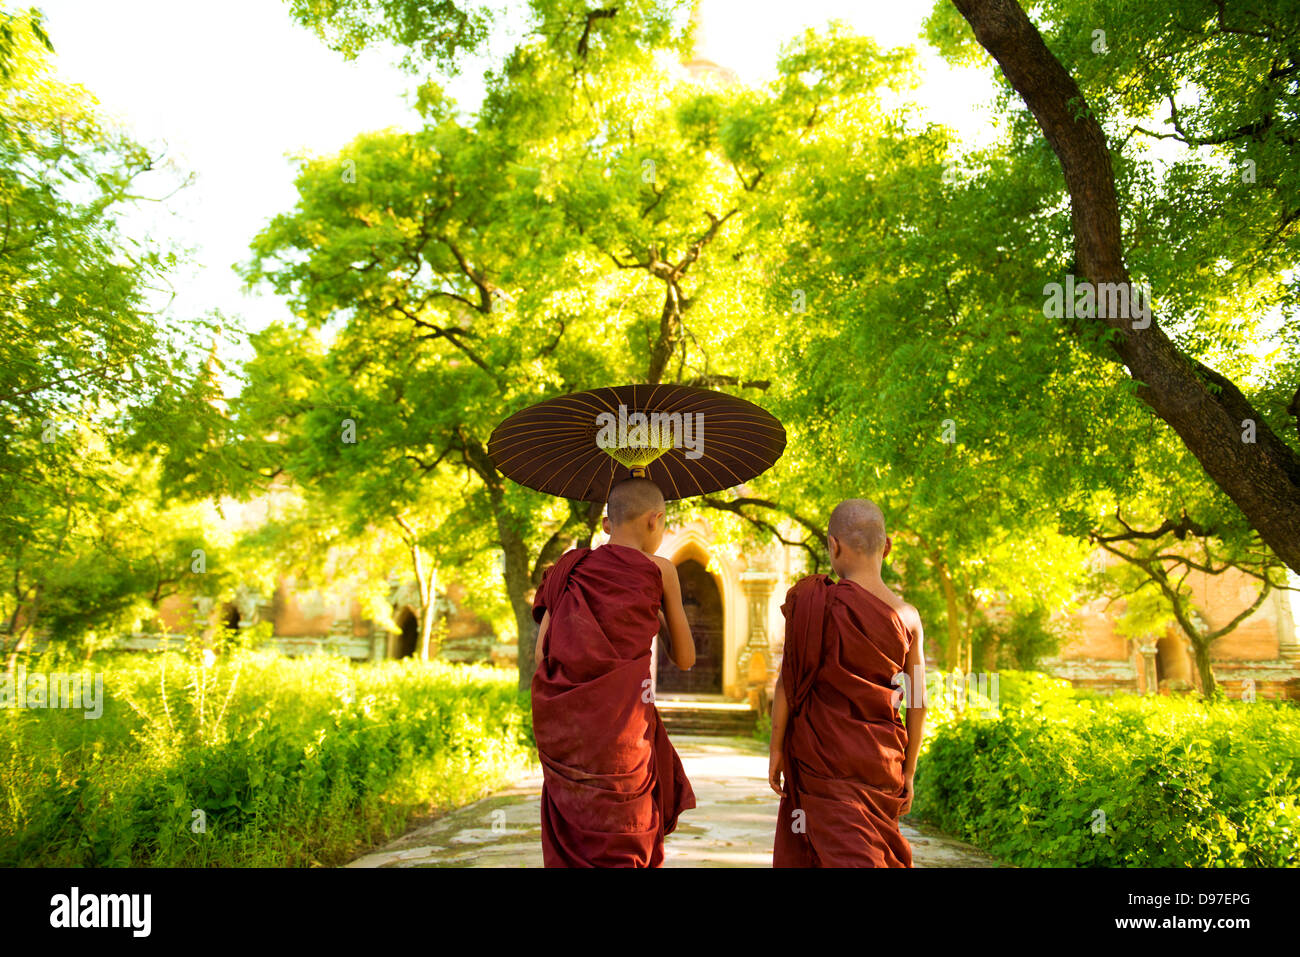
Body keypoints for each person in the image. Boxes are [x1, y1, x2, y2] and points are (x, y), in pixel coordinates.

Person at [530, 477, 697, 867]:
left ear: (607, 524)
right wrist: (657, 613)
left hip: (570, 739)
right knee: (624, 840)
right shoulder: (660, 570)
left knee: (576, 844)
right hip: (624, 739)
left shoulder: (570, 568)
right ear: (655, 521)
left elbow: (543, 655)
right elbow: (686, 658)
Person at [768, 498, 927, 867]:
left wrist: (776, 749)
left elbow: (786, 684)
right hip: (880, 761)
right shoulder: (909, 617)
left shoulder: (812, 601)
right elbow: (919, 701)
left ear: (833, 545)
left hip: (821, 762)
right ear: (887, 546)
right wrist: (909, 771)